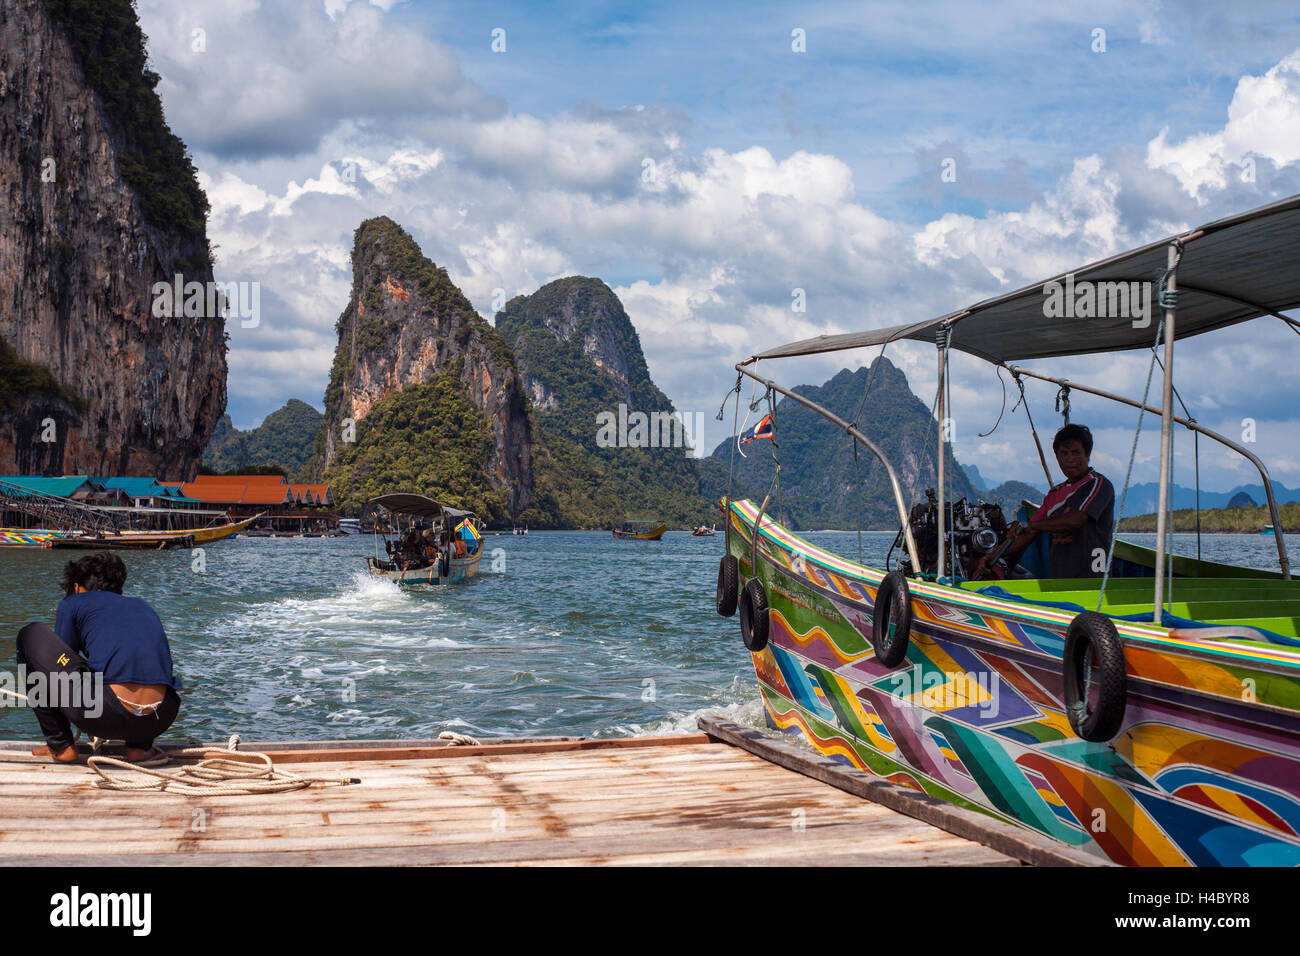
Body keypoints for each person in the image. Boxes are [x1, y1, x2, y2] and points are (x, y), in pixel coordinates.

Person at [16, 554, 182, 763]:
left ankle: (60, 745)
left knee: (29, 635)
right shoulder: (143, 606)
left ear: (76, 587)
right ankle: (139, 748)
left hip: (104, 714)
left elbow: (64, 663)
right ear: (119, 589)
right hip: (162, 715)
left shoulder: (73, 602)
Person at [976, 424, 1115, 579]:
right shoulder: (1054, 493)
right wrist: (993, 556)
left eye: (1076, 453)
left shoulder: (1098, 484)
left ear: (1087, 455)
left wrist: (1030, 525)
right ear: (1057, 457)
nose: (1070, 459)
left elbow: (1076, 519)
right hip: (1060, 579)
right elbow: (1028, 534)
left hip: (1094, 578)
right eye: (1064, 453)